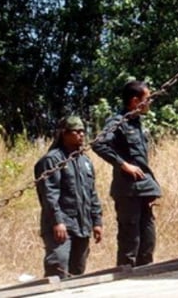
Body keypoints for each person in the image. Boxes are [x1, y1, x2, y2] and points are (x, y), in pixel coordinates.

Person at [92, 80, 162, 267]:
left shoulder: (137, 123)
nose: (150, 102)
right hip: (127, 190)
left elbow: (141, 161)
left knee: (147, 240)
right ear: (134, 100)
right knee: (130, 240)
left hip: (143, 189)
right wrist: (123, 165)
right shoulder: (117, 122)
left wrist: (151, 189)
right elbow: (98, 144)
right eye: (147, 98)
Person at [34, 116, 103, 278]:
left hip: (82, 225)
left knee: (77, 272)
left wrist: (97, 221)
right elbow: (49, 194)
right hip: (61, 226)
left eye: (82, 131)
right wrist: (57, 221)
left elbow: (92, 193)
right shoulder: (52, 160)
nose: (81, 135)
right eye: (76, 131)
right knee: (58, 266)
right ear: (63, 134)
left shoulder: (85, 161)